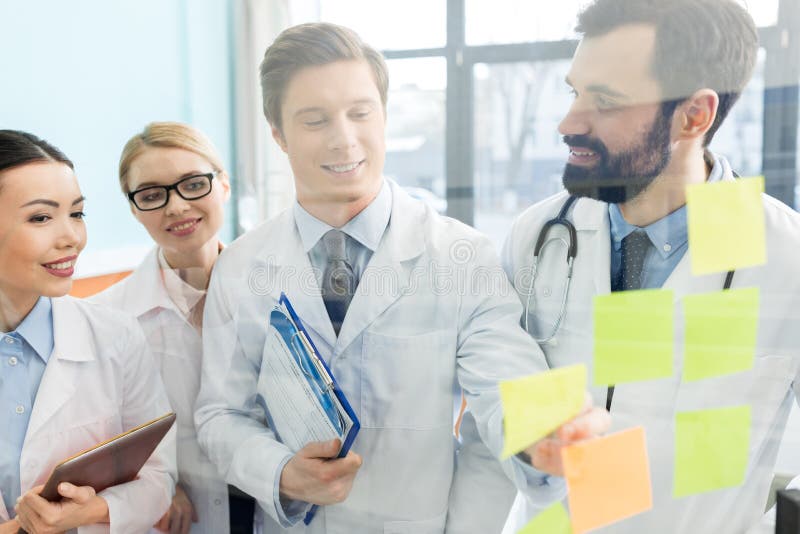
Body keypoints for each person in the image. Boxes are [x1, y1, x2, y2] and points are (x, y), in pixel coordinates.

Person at [194, 22, 610, 533]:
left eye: (360, 113)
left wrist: (539, 433)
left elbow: (506, 383)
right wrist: (279, 472)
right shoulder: (241, 266)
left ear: (384, 116)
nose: (344, 138)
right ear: (278, 134)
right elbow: (219, 416)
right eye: (314, 119)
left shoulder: (461, 258)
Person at [501, 0, 800, 532]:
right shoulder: (537, 238)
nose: (568, 123)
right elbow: (495, 424)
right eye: (575, 93)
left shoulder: (786, 256)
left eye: (607, 102)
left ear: (693, 116)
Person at [0, 130, 176, 533]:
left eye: (76, 214)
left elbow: (159, 477)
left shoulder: (115, 336)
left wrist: (93, 510)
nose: (71, 238)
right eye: (41, 217)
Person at [92, 122, 238, 534]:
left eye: (193, 183)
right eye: (153, 195)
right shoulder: (105, 319)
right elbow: (99, 439)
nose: (176, 207)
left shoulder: (275, 295)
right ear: (135, 209)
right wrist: (146, 485)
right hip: (176, 522)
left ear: (223, 185)